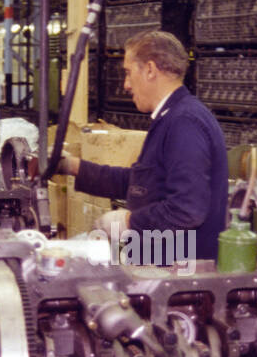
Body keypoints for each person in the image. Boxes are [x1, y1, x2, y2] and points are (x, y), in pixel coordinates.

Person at [55, 30, 228, 261]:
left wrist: (128, 222)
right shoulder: (171, 118)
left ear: (149, 70)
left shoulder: (184, 123)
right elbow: (140, 184)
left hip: (177, 275)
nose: (126, 85)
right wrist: (73, 166)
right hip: (162, 267)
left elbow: (186, 210)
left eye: (128, 72)